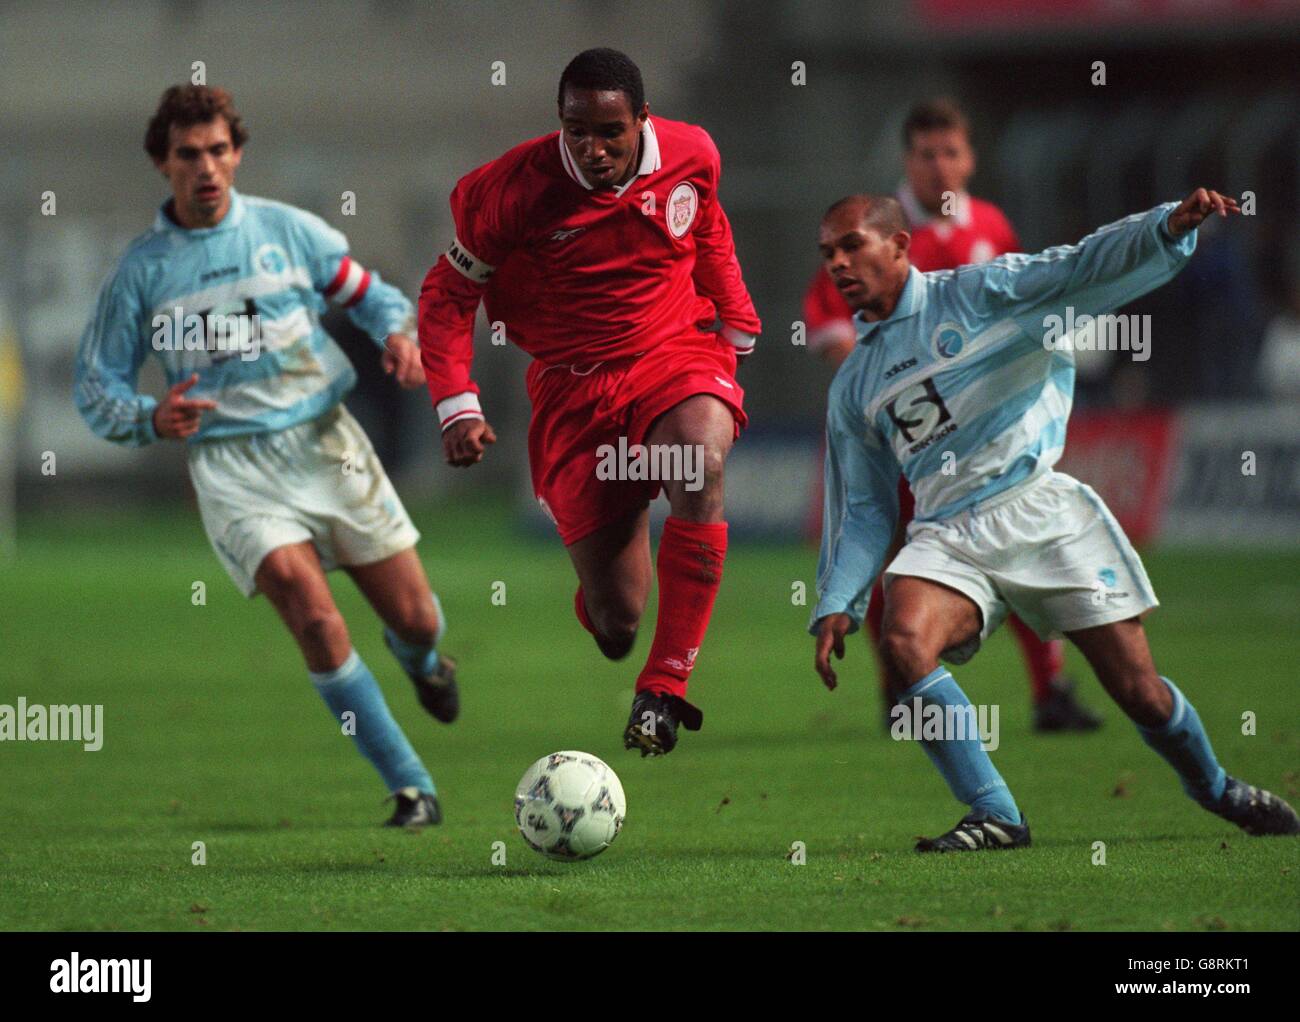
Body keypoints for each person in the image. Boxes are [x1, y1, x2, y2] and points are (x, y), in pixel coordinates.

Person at [810, 189, 1299, 850]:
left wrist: (1161, 226)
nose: (837, 263)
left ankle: (1216, 788)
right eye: (827, 253)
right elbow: (865, 510)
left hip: (1039, 511)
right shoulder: (855, 385)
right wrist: (839, 599)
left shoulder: (980, 292)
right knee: (902, 643)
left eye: (851, 246)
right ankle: (996, 814)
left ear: (898, 247)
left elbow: (1077, 266)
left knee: (1141, 693)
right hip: (948, 533)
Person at [75, 85, 455, 828]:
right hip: (231, 468)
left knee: (413, 617)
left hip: (325, 445)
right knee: (310, 614)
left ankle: (425, 663)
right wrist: (150, 417)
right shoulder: (142, 274)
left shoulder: (289, 232)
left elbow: (371, 295)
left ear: (237, 153)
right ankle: (412, 786)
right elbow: (96, 386)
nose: (206, 168)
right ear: (163, 163)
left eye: (218, 150)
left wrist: (399, 335)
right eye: (189, 154)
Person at [419, 48, 761, 756]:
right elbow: (449, 294)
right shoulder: (511, 190)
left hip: (673, 351)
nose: (594, 149)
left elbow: (705, 225)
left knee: (697, 457)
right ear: (560, 124)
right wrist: (457, 401)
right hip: (573, 389)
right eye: (577, 131)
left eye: (611, 132)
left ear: (642, 120)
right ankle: (617, 613)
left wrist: (734, 314)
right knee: (617, 620)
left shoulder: (692, 151)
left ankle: (665, 688)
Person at [803, 99, 1099, 732]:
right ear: (907, 160)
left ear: (970, 158)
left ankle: (1051, 692)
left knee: (1015, 552)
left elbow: (1026, 311)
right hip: (906, 438)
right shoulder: (867, 233)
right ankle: (900, 687)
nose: (938, 166)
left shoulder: (991, 225)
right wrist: (889, 394)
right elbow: (830, 327)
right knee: (896, 560)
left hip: (985, 435)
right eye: (925, 154)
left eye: (950, 152)